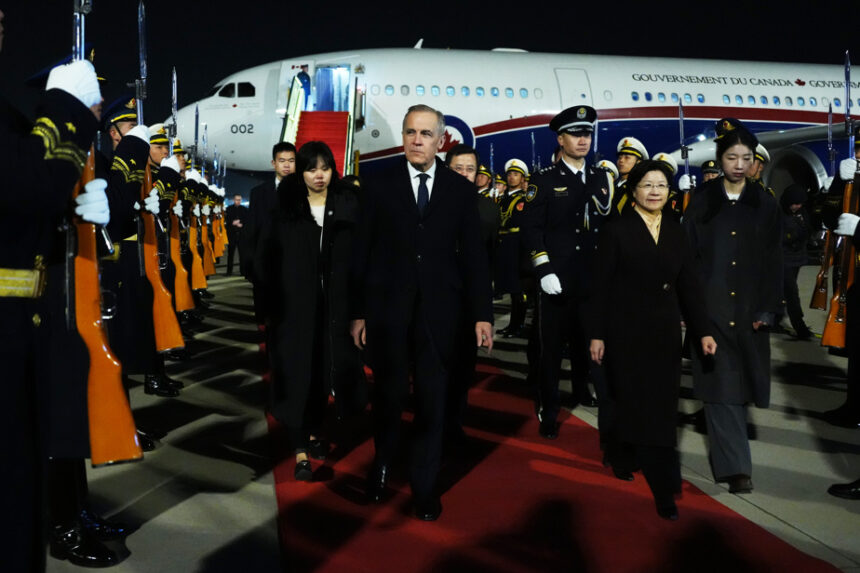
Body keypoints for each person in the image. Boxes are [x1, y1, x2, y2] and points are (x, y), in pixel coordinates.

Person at [349, 105, 493, 521]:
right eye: (410, 132)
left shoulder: (460, 190)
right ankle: (381, 465)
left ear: (440, 140)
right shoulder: (377, 185)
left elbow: (474, 261)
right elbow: (361, 254)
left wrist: (482, 314)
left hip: (442, 313)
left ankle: (425, 486)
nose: (416, 139)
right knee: (390, 396)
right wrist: (358, 311)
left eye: (425, 133)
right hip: (387, 311)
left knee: (434, 401)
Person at [587, 160, 716, 520]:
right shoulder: (616, 230)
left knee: (661, 405)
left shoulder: (677, 231)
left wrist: (702, 330)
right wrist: (596, 334)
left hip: (663, 332)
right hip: (624, 329)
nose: (655, 191)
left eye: (661, 185)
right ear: (634, 189)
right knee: (628, 398)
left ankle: (663, 484)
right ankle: (622, 452)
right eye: (647, 185)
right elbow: (600, 288)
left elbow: (689, 285)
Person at [682, 118, 782, 494]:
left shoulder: (765, 204)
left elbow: (775, 260)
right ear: (720, 159)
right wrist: (689, 310)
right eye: (731, 157)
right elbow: (687, 259)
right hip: (712, 309)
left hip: (751, 312)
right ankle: (736, 468)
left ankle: (732, 453)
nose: (739, 164)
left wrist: (768, 309)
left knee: (744, 385)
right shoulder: (702, 203)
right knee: (721, 386)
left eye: (746, 157)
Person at [255, 141, 365, 481]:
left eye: (325, 168)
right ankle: (300, 447)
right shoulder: (284, 208)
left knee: (322, 374)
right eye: (311, 168)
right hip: (292, 311)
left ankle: (316, 430)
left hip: (334, 310)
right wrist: (270, 306)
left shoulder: (347, 205)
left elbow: (362, 261)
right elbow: (264, 261)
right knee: (295, 374)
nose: (319, 175)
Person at [522, 105, 611, 440]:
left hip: (590, 281)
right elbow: (531, 229)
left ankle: (593, 401)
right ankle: (549, 408)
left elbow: (609, 225)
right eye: (575, 134)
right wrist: (543, 267)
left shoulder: (603, 178)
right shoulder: (543, 180)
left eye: (587, 133)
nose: (583, 140)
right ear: (561, 139)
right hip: (556, 280)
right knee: (551, 352)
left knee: (592, 346)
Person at [444, 144, 499, 442]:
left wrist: (485, 316)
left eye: (470, 170)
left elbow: (485, 269)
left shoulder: (489, 212)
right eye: (458, 169)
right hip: (433, 304)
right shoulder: (427, 204)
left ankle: (454, 425)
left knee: (463, 371)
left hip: (467, 308)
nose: (465, 175)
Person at [243, 142, 296, 325]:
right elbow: (251, 231)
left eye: (291, 160)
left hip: (295, 268)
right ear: (274, 163)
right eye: (282, 161)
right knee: (267, 322)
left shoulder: (305, 192)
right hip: (265, 267)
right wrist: (248, 264)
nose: (287, 165)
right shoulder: (258, 193)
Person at [495, 158, 529, 338]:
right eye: (509, 174)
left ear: (522, 178)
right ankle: (512, 324)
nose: (511, 177)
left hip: (517, 246)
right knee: (510, 286)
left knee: (518, 291)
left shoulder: (523, 199)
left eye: (516, 174)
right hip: (505, 244)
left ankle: (518, 324)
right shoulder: (503, 199)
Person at [779, 183, 812, 339]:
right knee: (791, 293)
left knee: (784, 292)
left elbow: (807, 229)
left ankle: (774, 320)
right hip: (783, 259)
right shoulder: (779, 214)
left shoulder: (802, 213)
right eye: (793, 204)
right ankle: (799, 326)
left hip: (797, 258)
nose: (796, 207)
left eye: (799, 204)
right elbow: (777, 237)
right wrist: (792, 237)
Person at [613, 136, 649, 213]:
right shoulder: (612, 185)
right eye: (619, 157)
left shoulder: (638, 189)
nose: (621, 160)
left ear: (638, 162)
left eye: (627, 157)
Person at [224, 193, 247, 275]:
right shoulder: (228, 209)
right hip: (232, 235)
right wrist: (232, 223)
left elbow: (247, 220)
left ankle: (243, 271)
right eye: (237, 200)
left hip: (241, 235)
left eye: (239, 200)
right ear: (234, 200)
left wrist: (241, 223)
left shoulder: (244, 209)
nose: (238, 201)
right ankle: (229, 272)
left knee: (242, 255)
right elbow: (226, 221)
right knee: (230, 254)